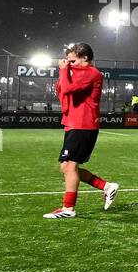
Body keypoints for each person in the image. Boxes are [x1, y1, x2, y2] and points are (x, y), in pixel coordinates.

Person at [43, 43, 118, 219]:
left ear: (85, 58)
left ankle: (68, 208)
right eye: (68, 61)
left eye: (73, 61)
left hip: (83, 124)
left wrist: (63, 71)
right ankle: (106, 186)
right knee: (66, 167)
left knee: (70, 166)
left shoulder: (92, 73)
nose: (69, 64)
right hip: (73, 123)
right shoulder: (75, 73)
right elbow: (61, 91)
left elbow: (68, 89)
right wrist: (66, 73)